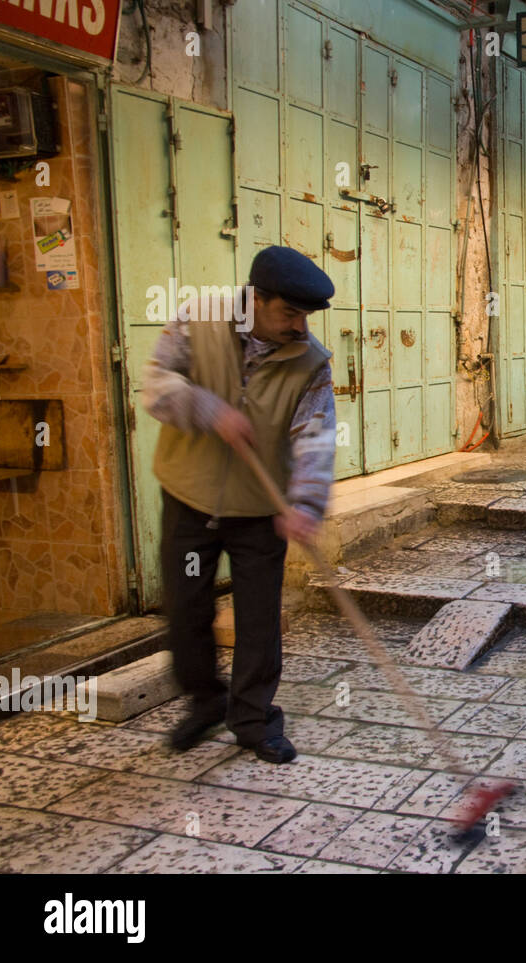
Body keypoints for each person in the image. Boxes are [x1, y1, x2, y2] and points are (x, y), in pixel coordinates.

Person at [143, 245, 337, 764]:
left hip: (258, 510)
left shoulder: (311, 362)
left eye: (305, 316)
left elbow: (315, 439)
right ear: (254, 299)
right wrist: (208, 409)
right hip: (190, 494)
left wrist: (307, 503)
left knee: (258, 619)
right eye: (289, 313)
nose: (299, 327)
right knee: (186, 609)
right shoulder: (197, 318)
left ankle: (253, 720)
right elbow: (155, 383)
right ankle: (205, 700)